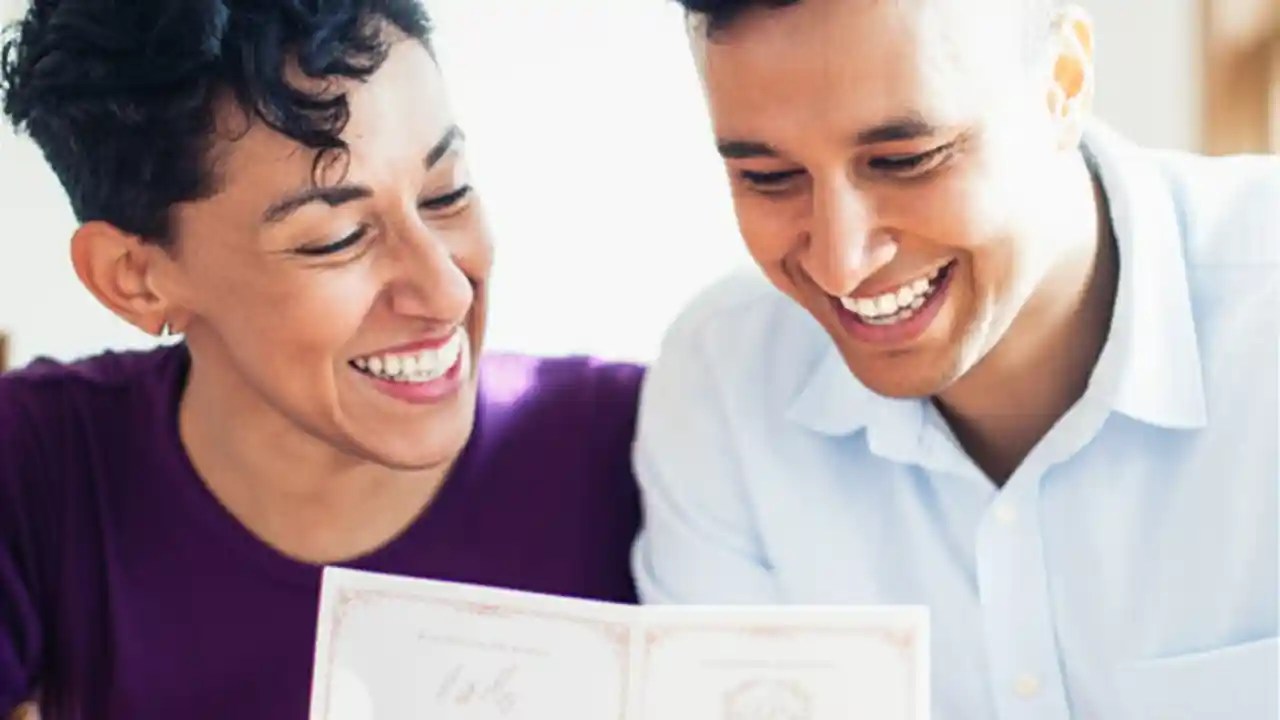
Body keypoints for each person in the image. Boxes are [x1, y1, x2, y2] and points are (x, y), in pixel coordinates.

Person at [631, 0, 1279, 717]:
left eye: (906, 161)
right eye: (770, 177)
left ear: (1062, 86)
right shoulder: (721, 385)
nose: (842, 263)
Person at [0, 1, 643, 717]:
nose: (446, 290)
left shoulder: (657, 446)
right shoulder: (37, 463)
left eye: (446, 193)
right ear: (136, 277)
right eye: (335, 237)